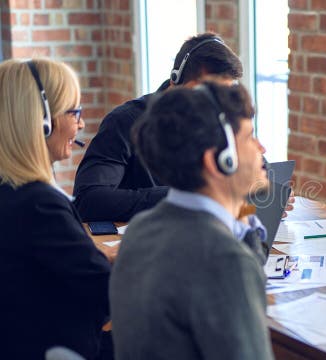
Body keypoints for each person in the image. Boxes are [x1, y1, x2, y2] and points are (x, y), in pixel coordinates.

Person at [110, 83, 274, 359]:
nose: (262, 148)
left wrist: (241, 204)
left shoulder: (141, 229)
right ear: (220, 160)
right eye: (250, 137)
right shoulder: (225, 260)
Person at [0, 58, 112, 359]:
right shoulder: (40, 205)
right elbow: (108, 295)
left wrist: (90, 254)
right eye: (74, 111)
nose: (82, 123)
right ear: (43, 120)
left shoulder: (11, 193)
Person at [73, 33, 243, 222]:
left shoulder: (220, 122)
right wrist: (181, 197)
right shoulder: (124, 122)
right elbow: (88, 199)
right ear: (176, 81)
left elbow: (254, 169)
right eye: (210, 95)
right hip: (148, 240)